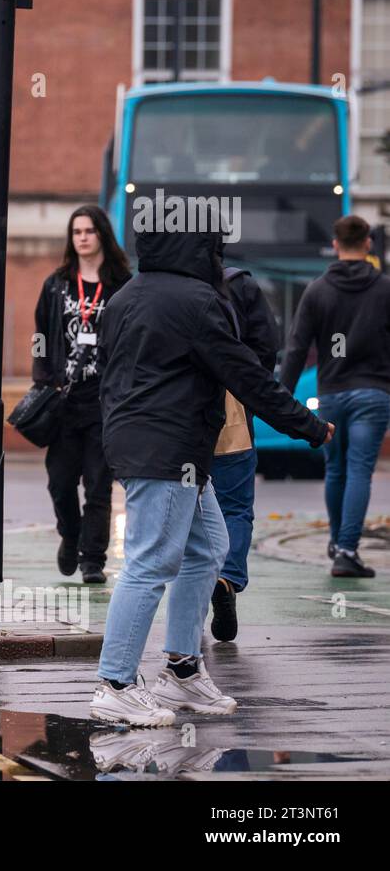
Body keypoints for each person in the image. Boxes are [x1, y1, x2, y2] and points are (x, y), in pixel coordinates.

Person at [89, 224, 331, 727]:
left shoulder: (125, 296)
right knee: (150, 561)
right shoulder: (199, 302)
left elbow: (107, 373)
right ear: (204, 254)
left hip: (150, 443)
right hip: (169, 446)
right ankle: (115, 683)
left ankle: (180, 671)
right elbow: (247, 376)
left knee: (208, 548)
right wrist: (307, 426)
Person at [280, 214, 390, 579]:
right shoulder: (384, 288)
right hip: (373, 393)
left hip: (332, 394)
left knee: (335, 468)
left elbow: (296, 349)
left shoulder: (317, 290)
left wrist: (282, 399)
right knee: (360, 468)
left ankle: (337, 541)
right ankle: (346, 549)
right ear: (369, 244)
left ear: (336, 244)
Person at [32, 205, 131, 584]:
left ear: (103, 234)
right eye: (77, 232)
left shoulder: (123, 283)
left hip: (105, 402)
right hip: (63, 401)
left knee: (98, 485)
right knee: (59, 482)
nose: (83, 237)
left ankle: (93, 560)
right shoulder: (57, 283)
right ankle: (70, 535)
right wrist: (43, 378)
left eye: (90, 230)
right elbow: (40, 335)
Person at [207, 264, 280, 642]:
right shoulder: (241, 284)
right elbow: (268, 346)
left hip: (176, 413)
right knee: (234, 506)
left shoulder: (163, 284)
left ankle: (194, 594)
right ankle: (228, 576)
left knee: (188, 509)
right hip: (232, 408)